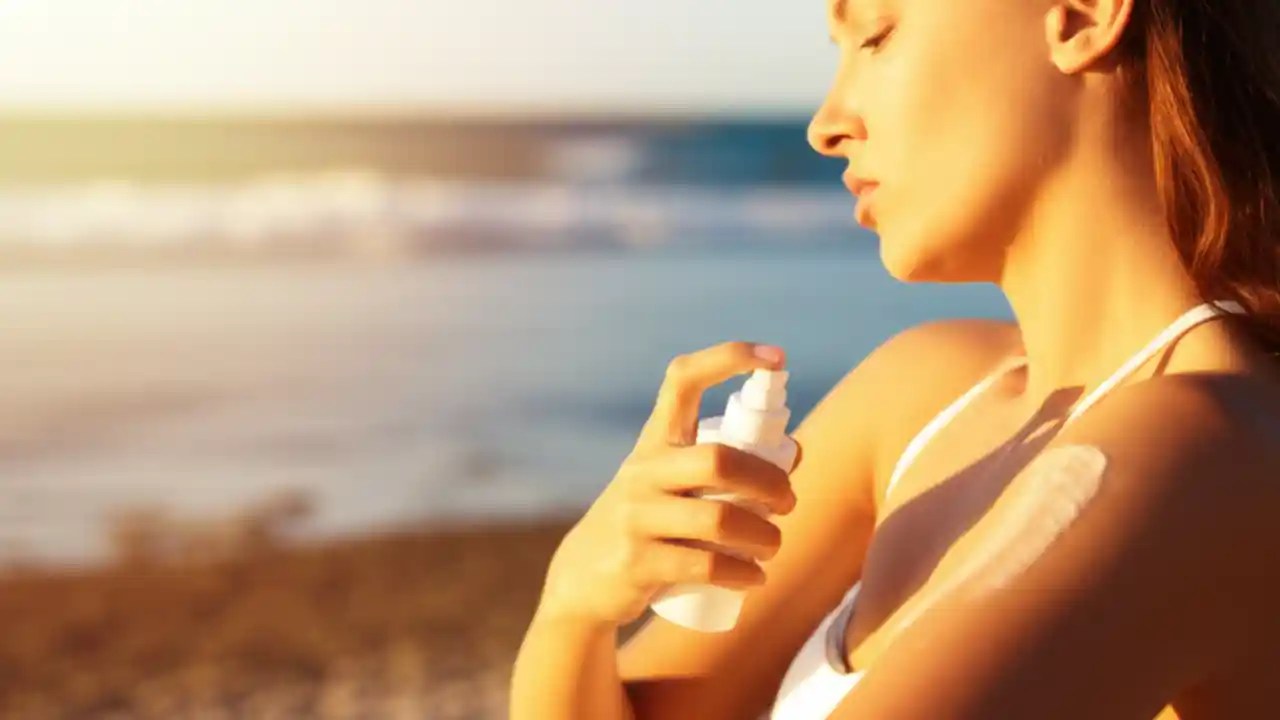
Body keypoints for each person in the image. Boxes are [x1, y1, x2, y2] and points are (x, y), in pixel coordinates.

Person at [510, 0, 1280, 717]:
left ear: (1081, 13)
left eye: (877, 32)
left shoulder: (1200, 453)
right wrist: (572, 612)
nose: (825, 123)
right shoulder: (922, 393)